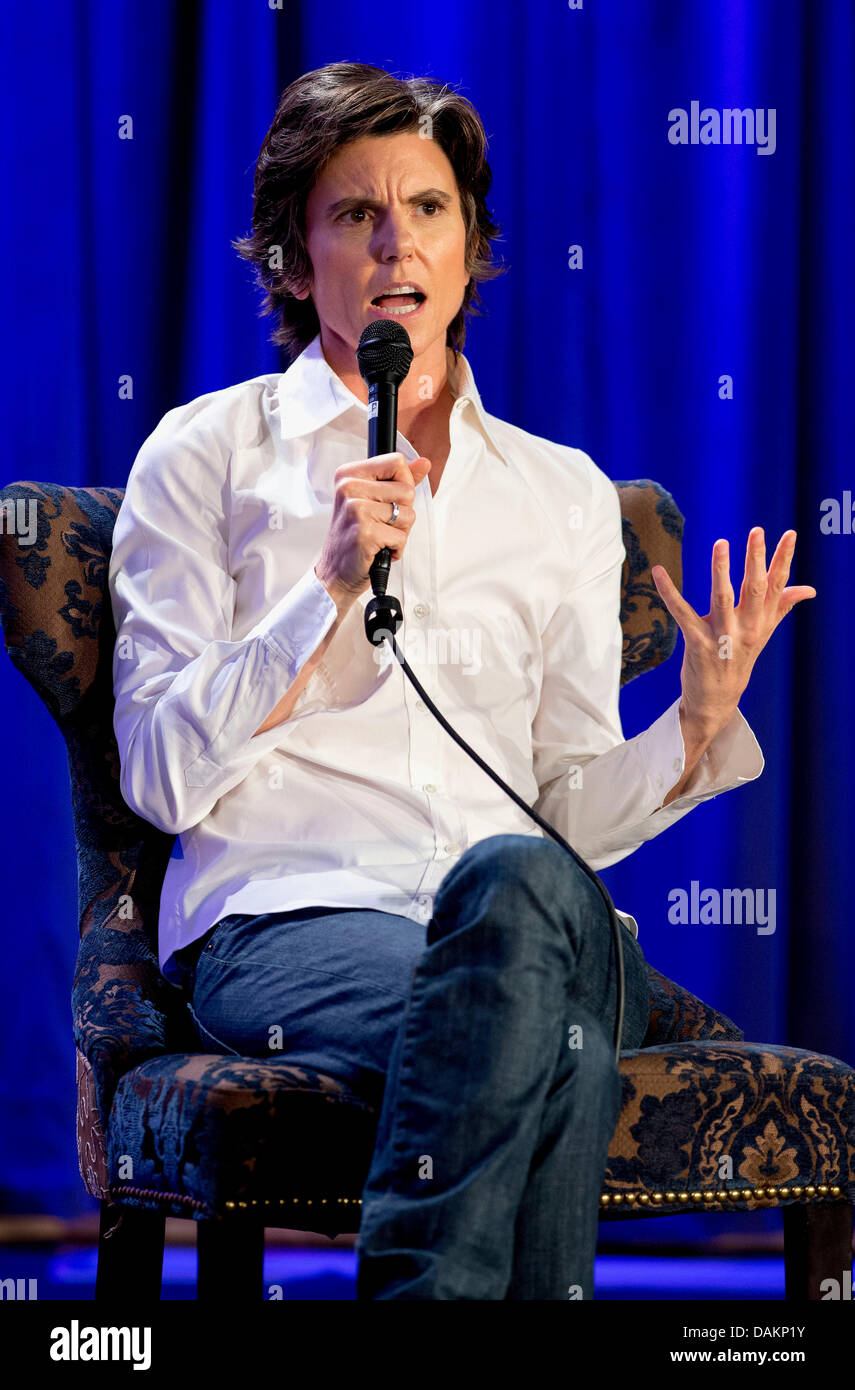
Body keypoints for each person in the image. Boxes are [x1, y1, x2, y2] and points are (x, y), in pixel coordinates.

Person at [108, 62, 815, 1300]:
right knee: (553, 1027)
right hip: (290, 923)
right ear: (289, 260)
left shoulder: (563, 495)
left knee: (525, 881)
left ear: (474, 246)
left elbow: (567, 813)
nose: (398, 243)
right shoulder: (206, 454)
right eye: (353, 214)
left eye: (429, 209)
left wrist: (691, 733)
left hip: (526, 911)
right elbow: (161, 779)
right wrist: (320, 594)